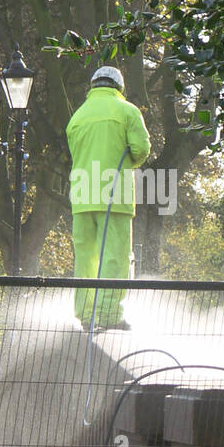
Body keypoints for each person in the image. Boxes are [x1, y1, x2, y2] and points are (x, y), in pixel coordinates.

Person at [66, 65, 151, 330]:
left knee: (85, 257)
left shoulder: (77, 116)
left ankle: (86, 314)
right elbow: (140, 148)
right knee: (114, 257)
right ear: (119, 87)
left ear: (93, 86)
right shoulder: (127, 111)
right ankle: (108, 315)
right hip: (113, 193)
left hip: (81, 195)